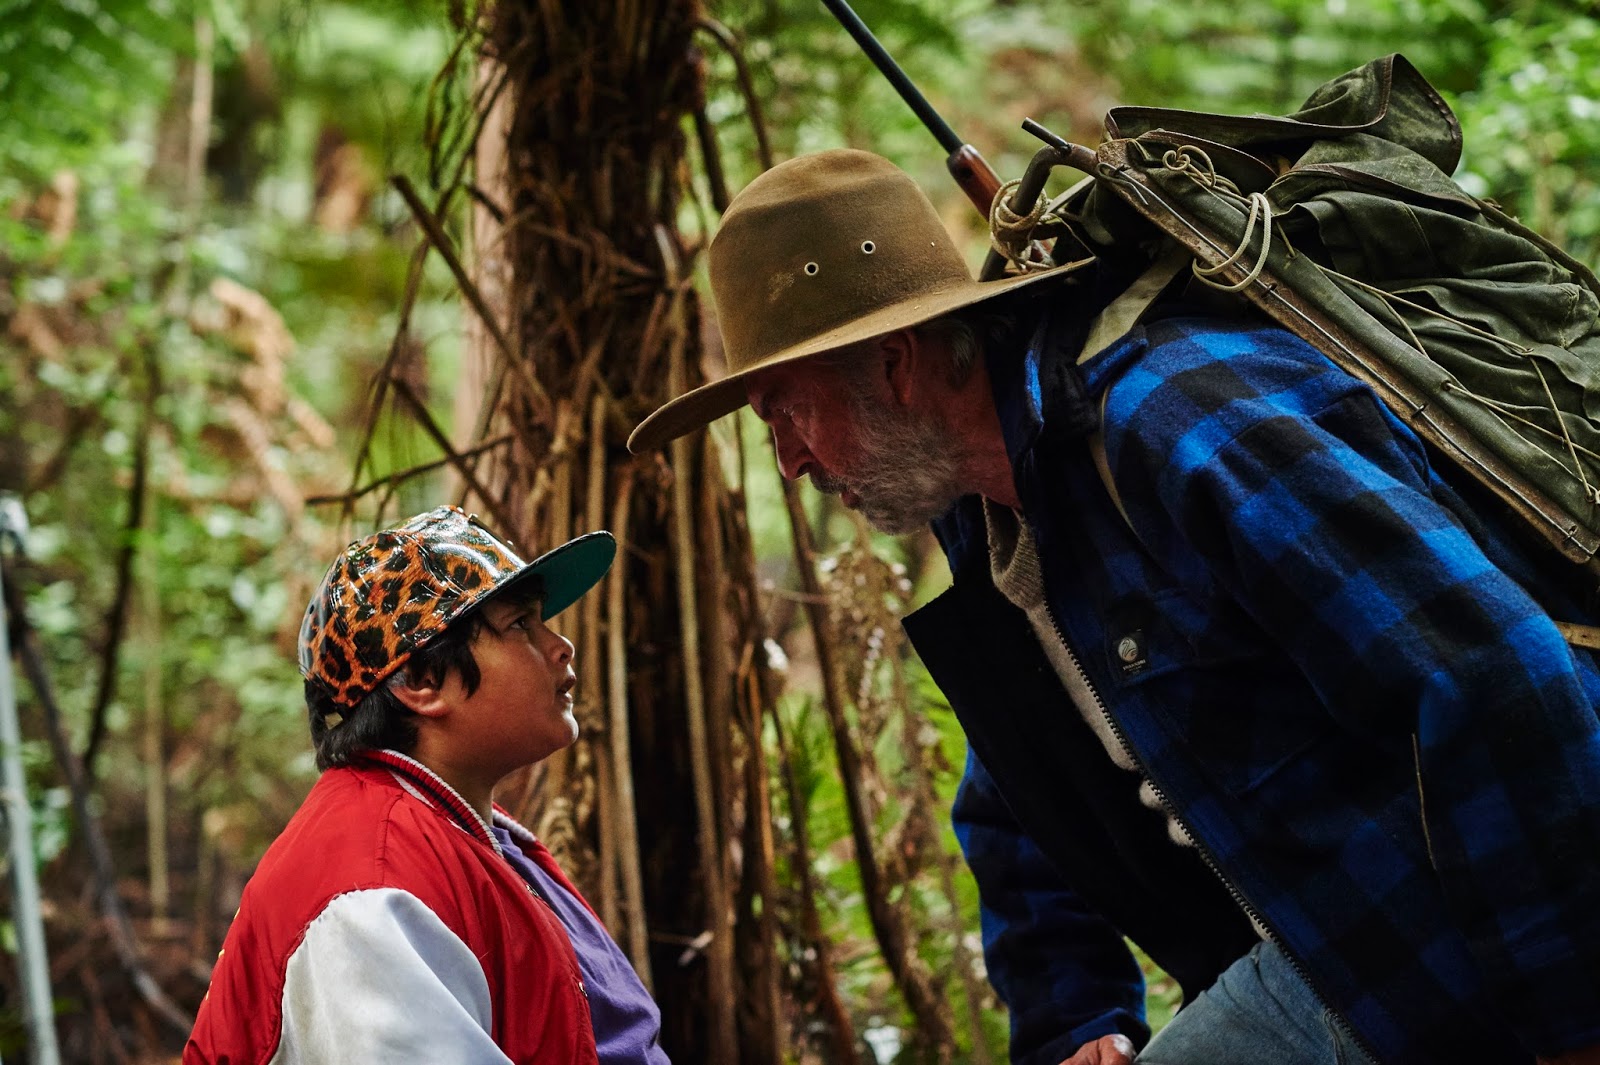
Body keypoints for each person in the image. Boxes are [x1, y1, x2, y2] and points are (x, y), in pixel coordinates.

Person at [626, 148, 1600, 1065]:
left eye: (787, 410)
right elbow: (1023, 788)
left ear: (894, 364)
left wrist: (1570, 1026)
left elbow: (1492, 672)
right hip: (1326, 950)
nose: (790, 461)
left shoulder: (1179, 421)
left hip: (1458, 956)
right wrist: (1076, 1013)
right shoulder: (988, 515)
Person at [186, 505, 669, 1064]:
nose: (562, 646)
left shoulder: (468, 834)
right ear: (421, 680)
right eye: (520, 624)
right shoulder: (369, 896)